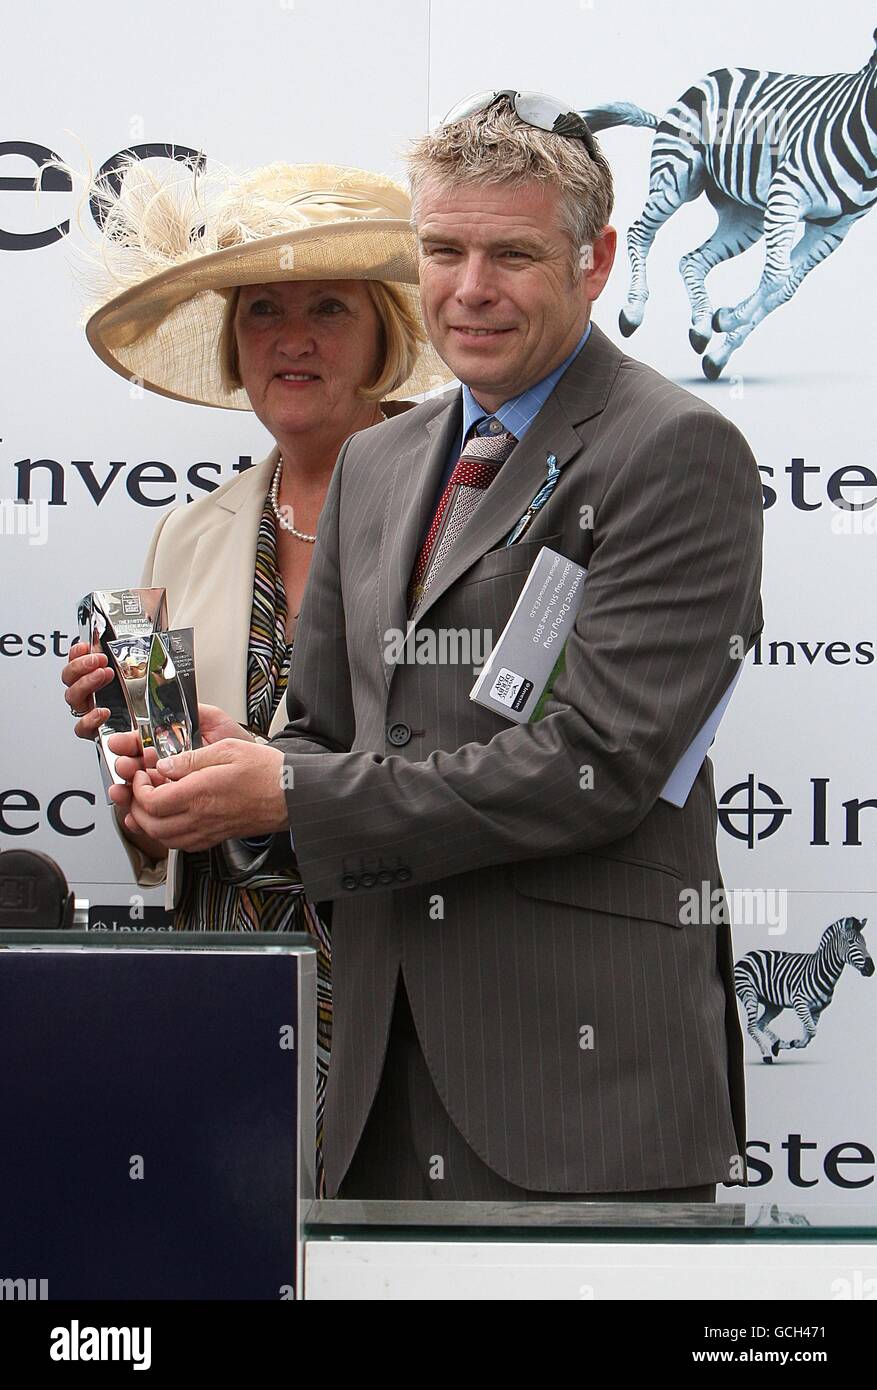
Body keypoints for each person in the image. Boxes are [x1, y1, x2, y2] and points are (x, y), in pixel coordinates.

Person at [112, 94, 764, 1203]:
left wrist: (292, 797)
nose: (469, 288)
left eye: (511, 253)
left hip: (579, 1093)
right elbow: (321, 733)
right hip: (373, 1072)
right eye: (444, 250)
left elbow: (596, 765)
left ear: (596, 259)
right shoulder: (380, 461)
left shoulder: (677, 449)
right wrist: (230, 767)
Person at [59, 160, 452, 1190]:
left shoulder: (466, 516)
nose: (292, 337)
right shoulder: (187, 535)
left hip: (411, 982)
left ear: (383, 334)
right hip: (225, 993)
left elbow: (490, 770)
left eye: (328, 305)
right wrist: (132, 757)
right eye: (261, 310)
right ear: (235, 347)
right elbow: (154, 826)